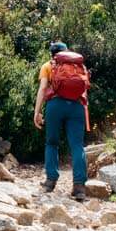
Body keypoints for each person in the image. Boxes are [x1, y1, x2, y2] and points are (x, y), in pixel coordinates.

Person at [34, 41, 90, 199]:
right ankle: (79, 187)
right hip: (77, 106)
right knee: (77, 145)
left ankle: (50, 182)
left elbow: (43, 88)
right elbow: (84, 88)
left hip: (55, 105)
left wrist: (37, 112)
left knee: (52, 143)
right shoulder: (79, 66)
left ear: (52, 54)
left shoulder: (48, 65)